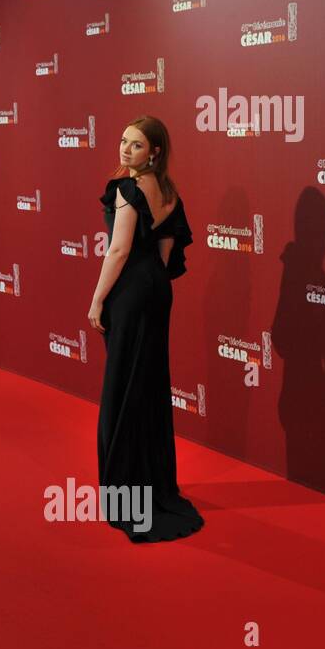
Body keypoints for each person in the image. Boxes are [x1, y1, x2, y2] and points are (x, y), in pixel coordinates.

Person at [87, 116, 202, 543]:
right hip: (156, 292)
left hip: (130, 293)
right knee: (149, 386)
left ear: (154, 151)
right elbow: (167, 255)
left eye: (135, 145)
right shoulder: (170, 193)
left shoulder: (128, 191)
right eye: (122, 141)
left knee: (121, 386)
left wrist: (99, 299)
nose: (124, 150)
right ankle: (153, 487)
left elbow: (117, 250)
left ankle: (123, 497)